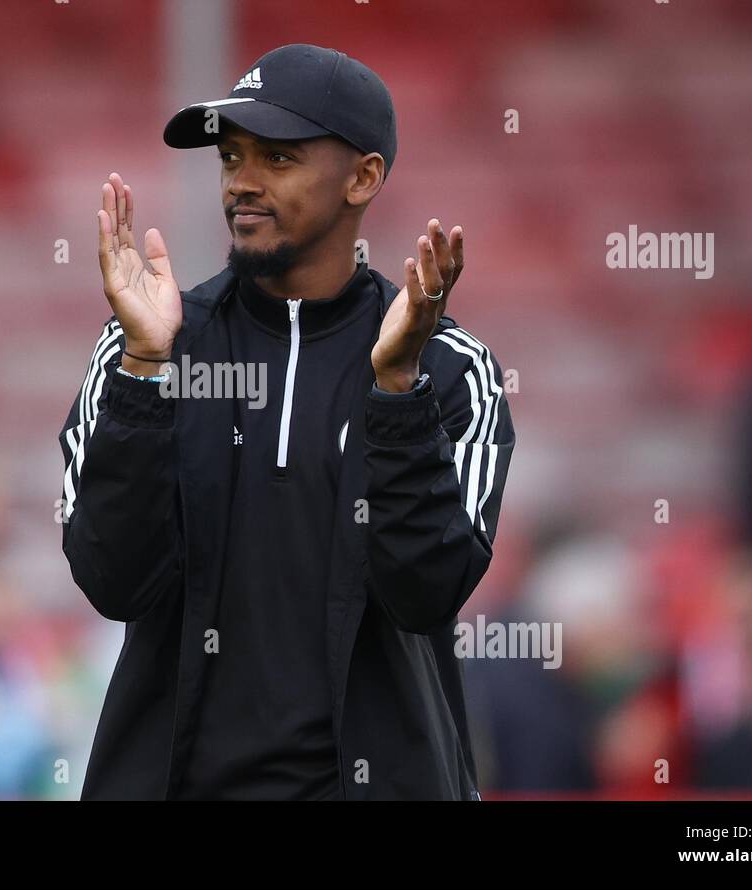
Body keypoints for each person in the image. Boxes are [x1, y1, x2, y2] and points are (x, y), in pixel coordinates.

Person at [57, 44, 516, 800]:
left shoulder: (446, 365)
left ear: (363, 177)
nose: (242, 181)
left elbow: (425, 592)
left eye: (277, 157)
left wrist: (396, 390)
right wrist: (145, 368)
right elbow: (114, 582)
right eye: (232, 157)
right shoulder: (150, 345)